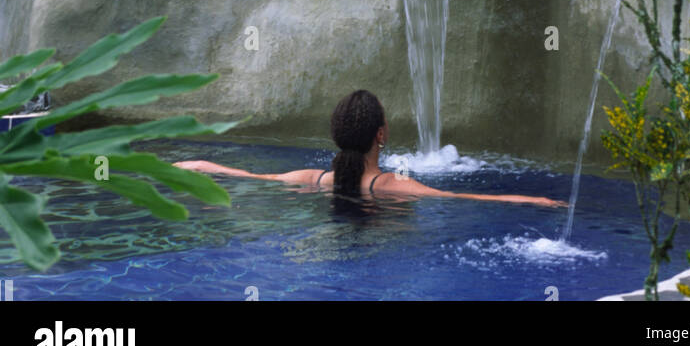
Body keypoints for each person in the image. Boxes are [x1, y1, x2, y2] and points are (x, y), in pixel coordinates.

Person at [174, 89, 565, 206]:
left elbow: (249, 175)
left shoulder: (315, 179)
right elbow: (464, 197)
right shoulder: (395, 187)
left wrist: (193, 164)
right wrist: (542, 202)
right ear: (382, 134)